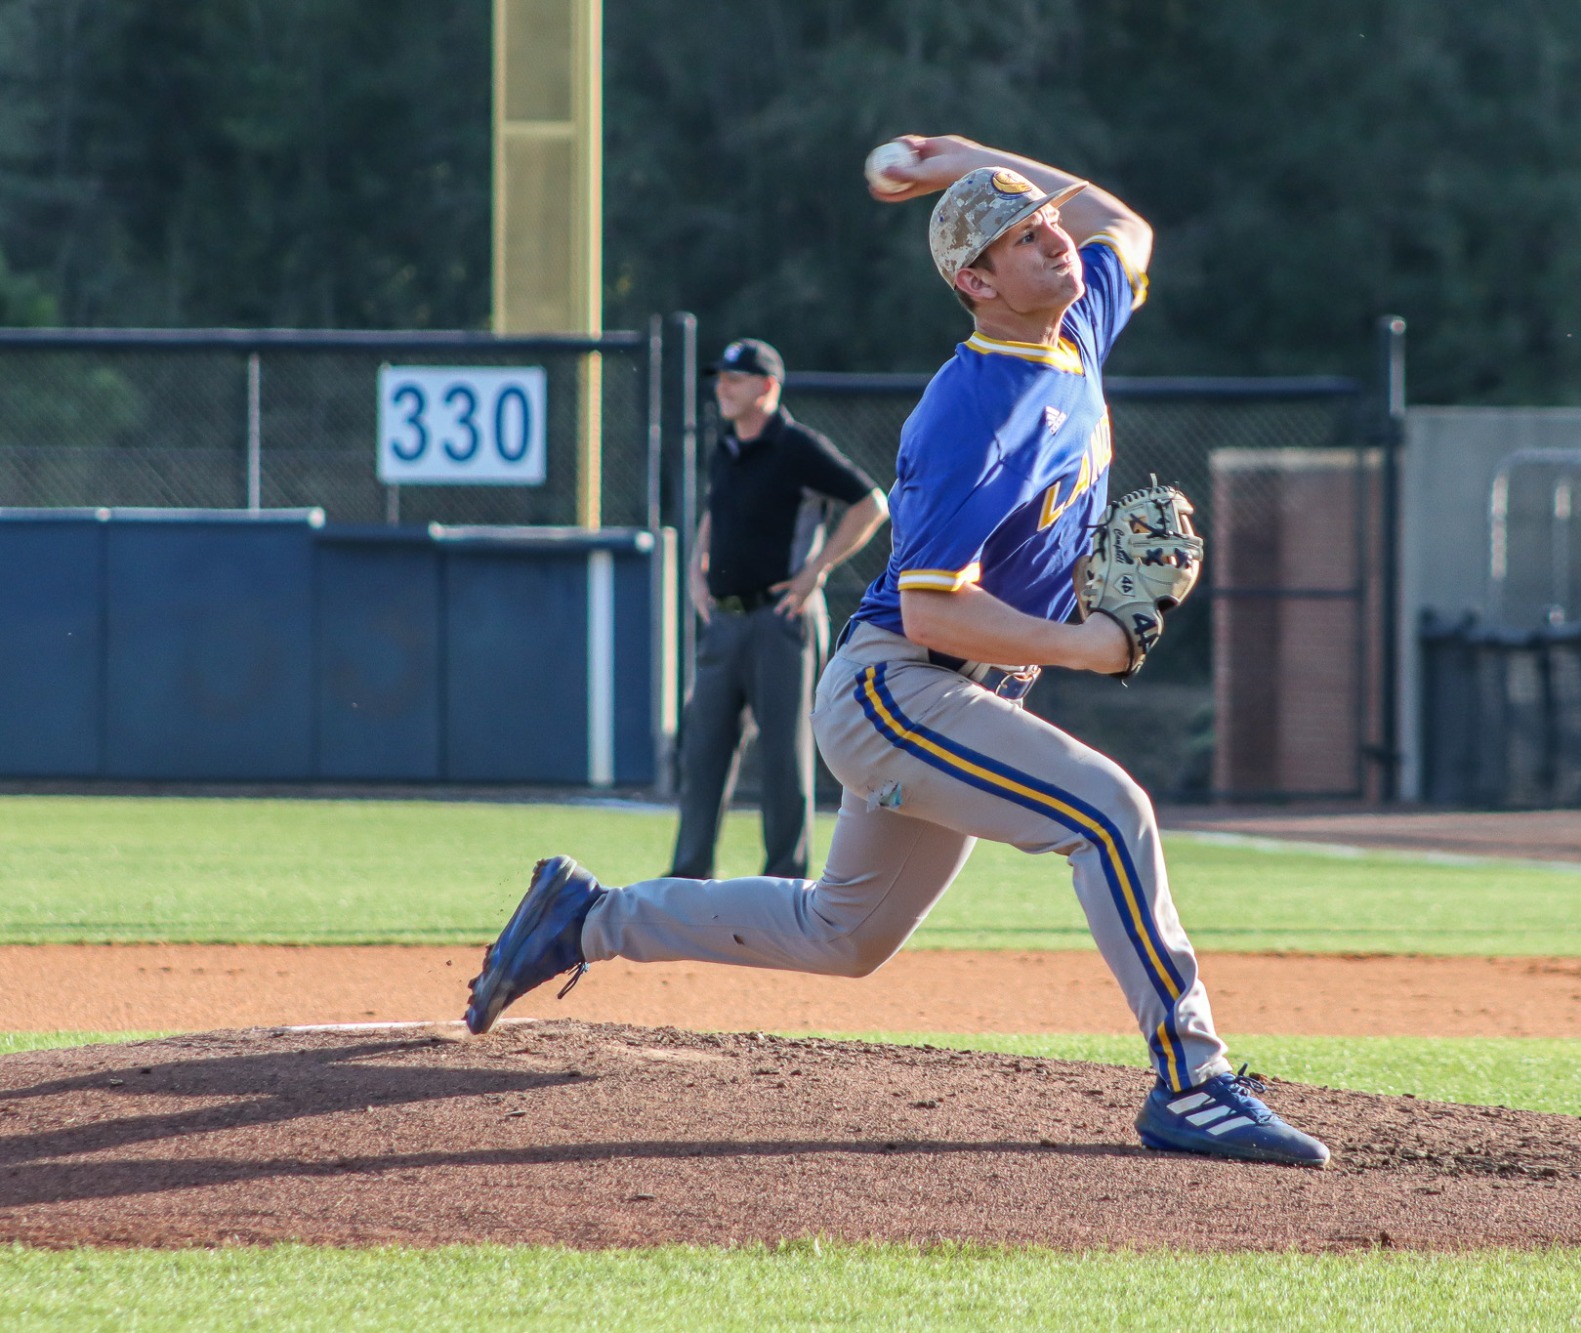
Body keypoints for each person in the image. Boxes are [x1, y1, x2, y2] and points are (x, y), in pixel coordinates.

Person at [463, 133, 1330, 1168]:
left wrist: (962, 156)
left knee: (843, 934)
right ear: (976, 281)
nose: (1054, 235)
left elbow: (1123, 227)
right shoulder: (971, 410)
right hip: (895, 687)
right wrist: (1089, 648)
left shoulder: (1074, 329)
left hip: (951, 694)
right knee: (1108, 815)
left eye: (1046, 220)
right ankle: (1192, 1080)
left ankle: (586, 918)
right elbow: (931, 614)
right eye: (1021, 235)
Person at [670, 338, 888, 881]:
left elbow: (871, 503)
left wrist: (817, 571)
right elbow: (715, 510)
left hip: (780, 621)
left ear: (767, 387)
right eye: (720, 377)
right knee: (702, 757)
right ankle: (686, 880)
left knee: (783, 762)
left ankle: (784, 884)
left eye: (736, 378)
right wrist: (697, 568)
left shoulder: (796, 447)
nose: (722, 386)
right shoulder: (727, 446)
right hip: (724, 621)